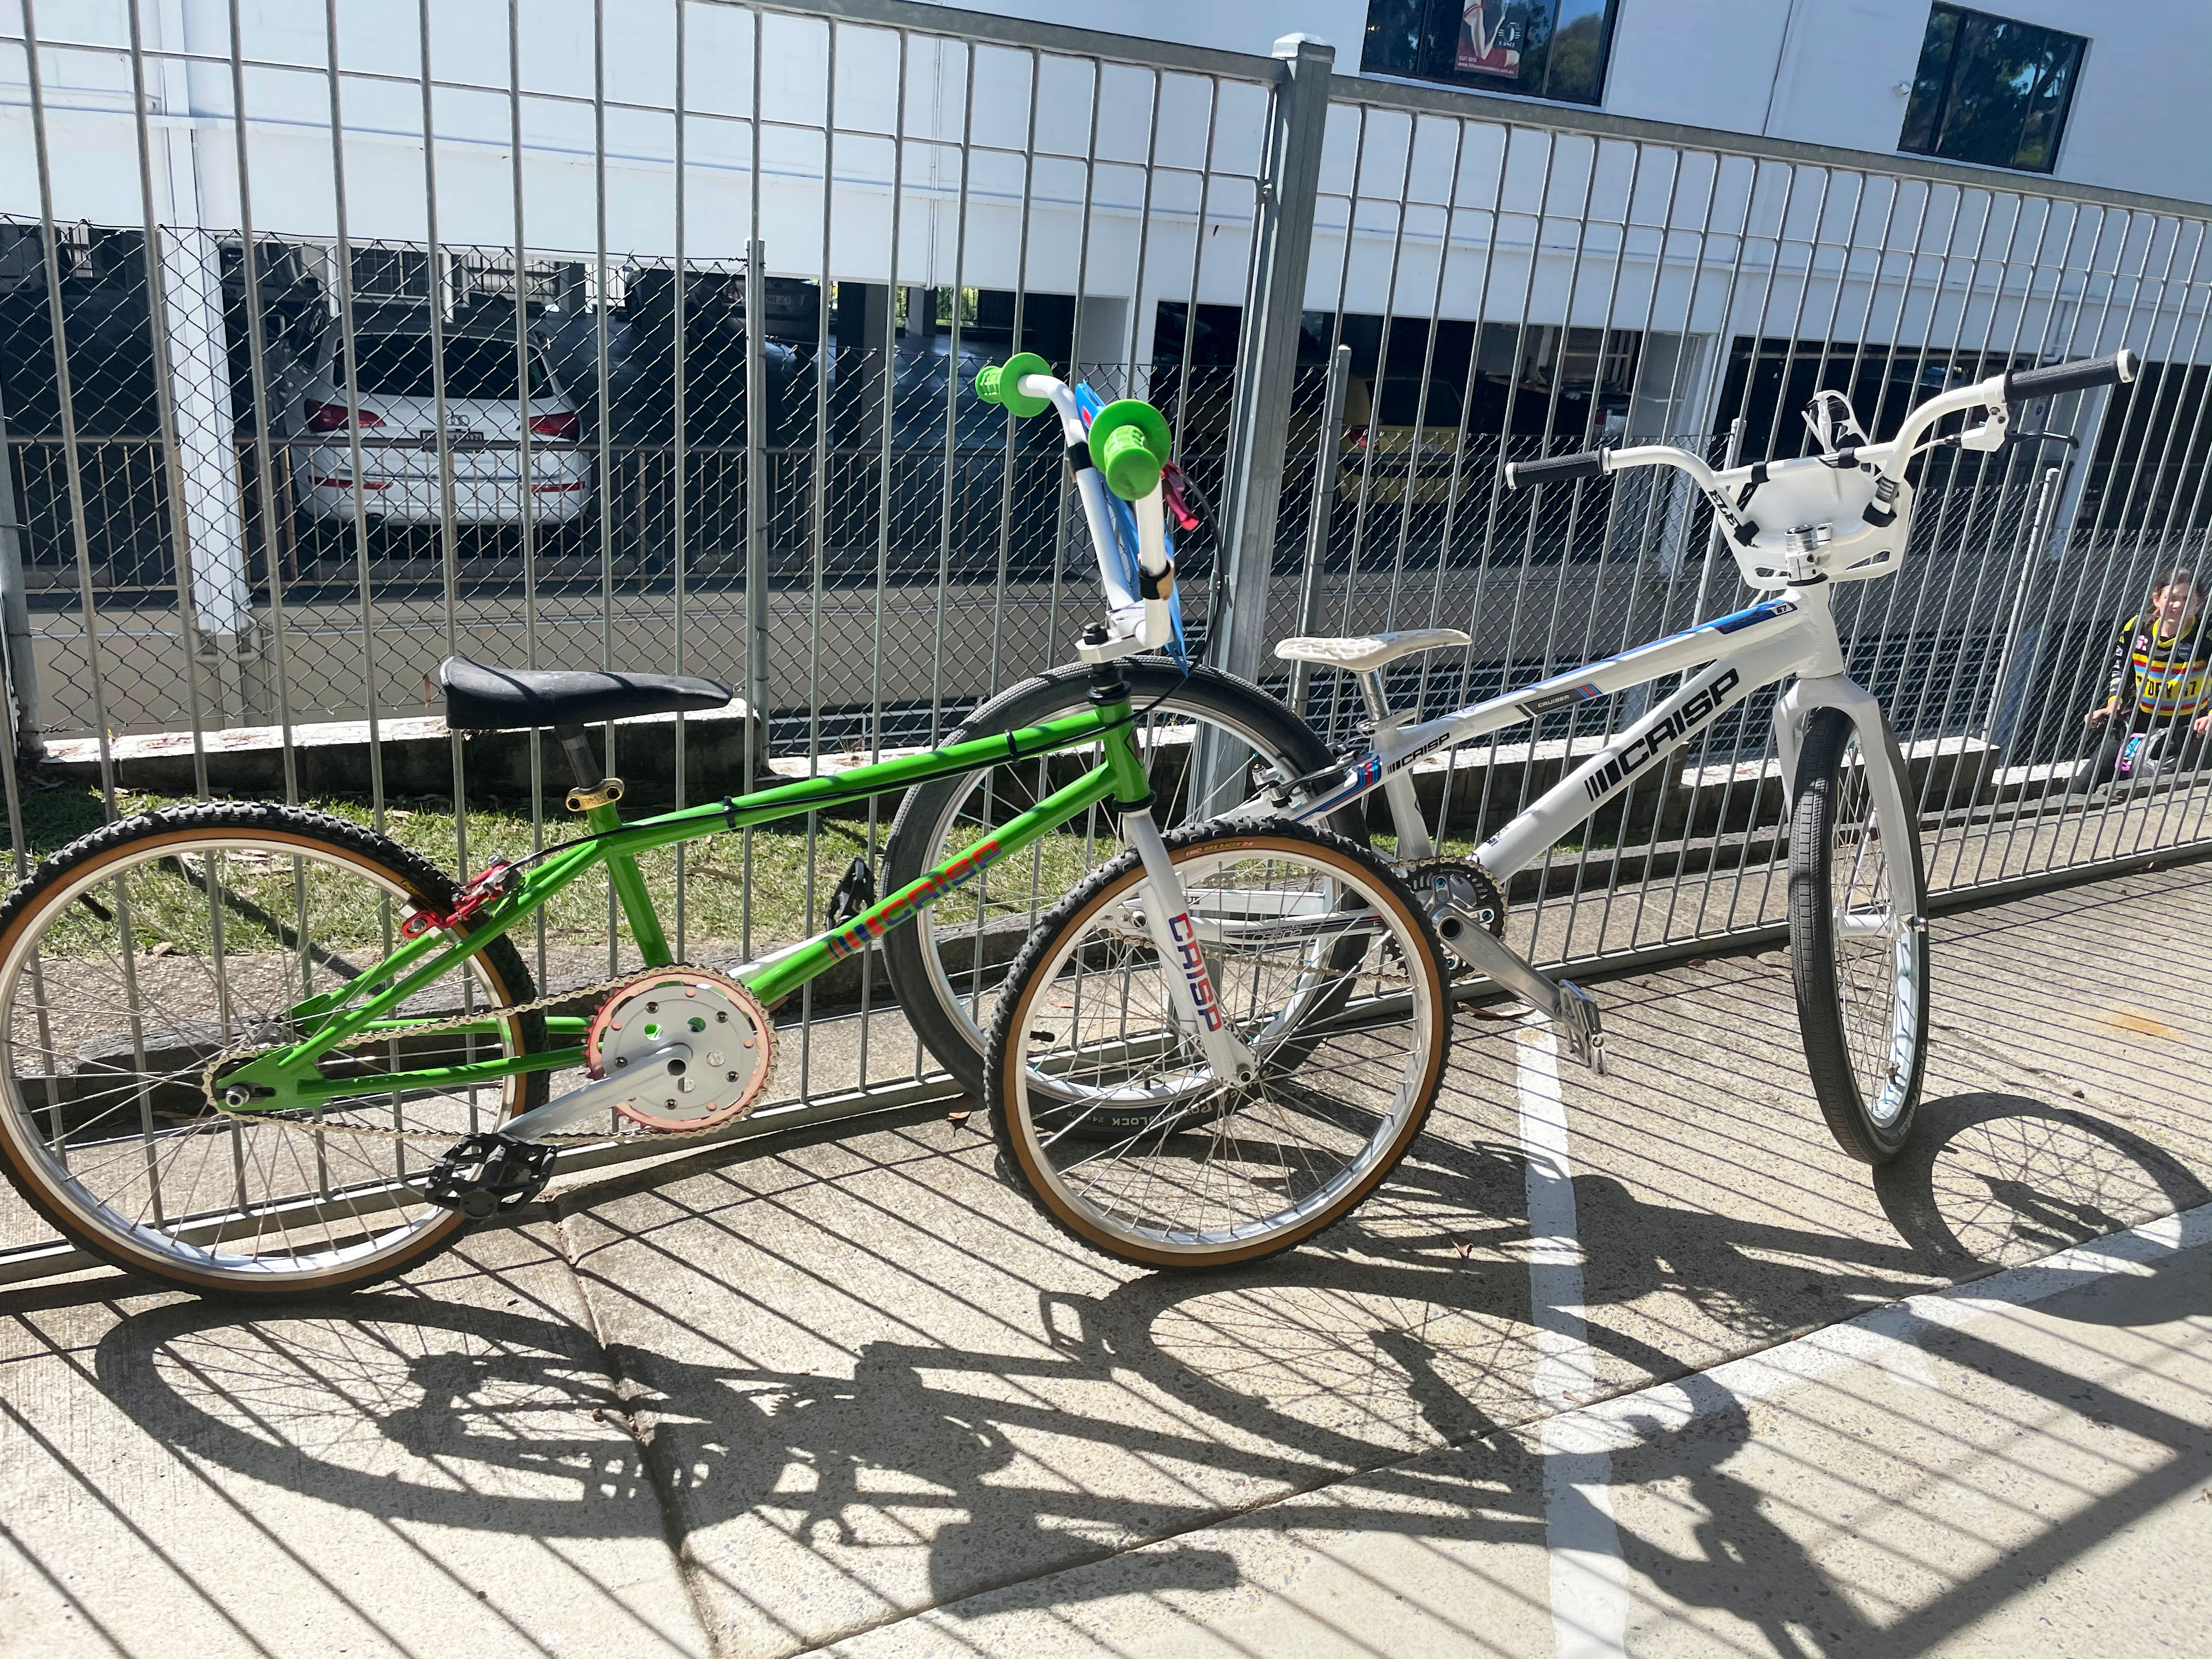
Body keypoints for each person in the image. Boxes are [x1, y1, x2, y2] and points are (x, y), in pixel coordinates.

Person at [2069, 568, 2211, 793]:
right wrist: (2113, 703)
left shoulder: (2207, 633)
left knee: (2172, 792)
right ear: (2157, 599)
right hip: (2138, 720)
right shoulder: (2136, 628)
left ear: (2199, 603)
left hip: (2189, 727)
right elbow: (2120, 669)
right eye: (2172, 598)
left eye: (2188, 600)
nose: (2180, 606)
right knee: (2083, 786)